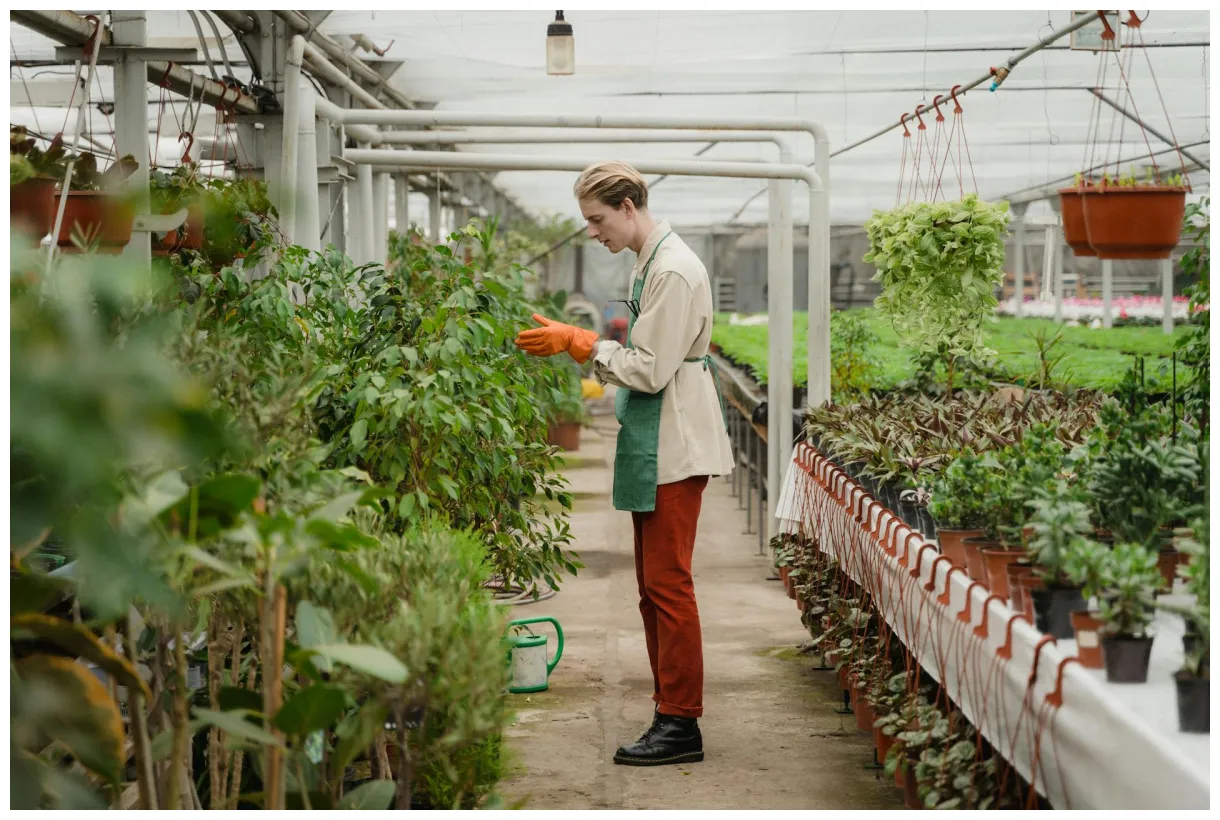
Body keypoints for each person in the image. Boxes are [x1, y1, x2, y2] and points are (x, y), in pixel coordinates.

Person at [514, 161, 733, 767]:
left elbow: (650, 368)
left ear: (629, 206)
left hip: (676, 443)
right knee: (652, 588)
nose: (592, 231)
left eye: (597, 219)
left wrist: (581, 342)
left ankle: (681, 724)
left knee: (668, 585)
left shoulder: (674, 270)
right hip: (658, 437)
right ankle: (669, 710)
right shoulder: (649, 262)